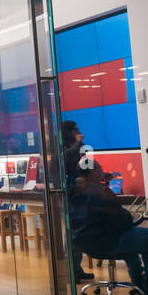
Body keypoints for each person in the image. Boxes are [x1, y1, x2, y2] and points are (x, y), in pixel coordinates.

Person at [70, 160, 148, 295]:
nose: (103, 171)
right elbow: (123, 221)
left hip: (85, 245)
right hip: (104, 242)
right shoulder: (101, 192)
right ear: (93, 172)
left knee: (130, 242)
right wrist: (128, 216)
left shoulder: (74, 190)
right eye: (100, 168)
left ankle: (138, 281)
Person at [61, 119, 94, 282]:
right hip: (69, 192)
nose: (78, 131)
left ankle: (77, 268)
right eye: (75, 129)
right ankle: (70, 270)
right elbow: (65, 159)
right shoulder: (62, 146)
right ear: (68, 131)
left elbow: (83, 162)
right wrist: (77, 144)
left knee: (78, 230)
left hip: (79, 191)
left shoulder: (76, 146)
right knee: (72, 232)